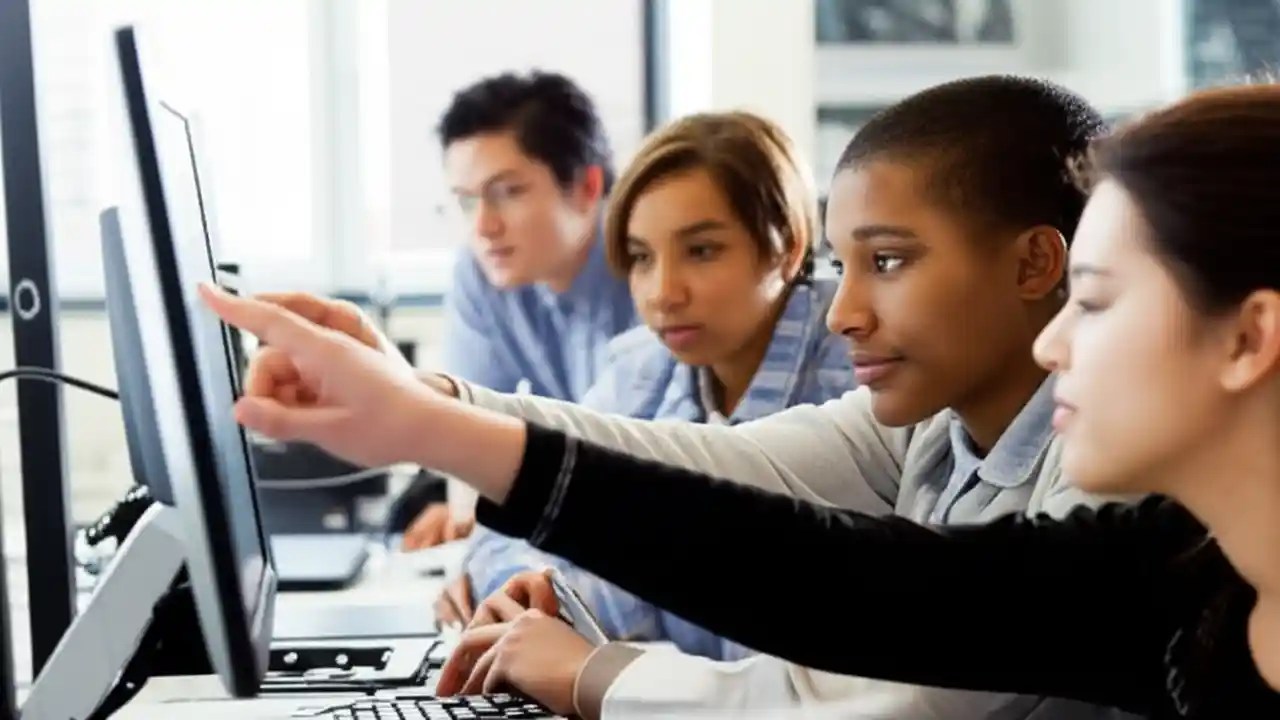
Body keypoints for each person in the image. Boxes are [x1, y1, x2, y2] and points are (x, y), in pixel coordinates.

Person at [200, 81, 1280, 719]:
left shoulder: (1133, 547)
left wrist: (594, 675)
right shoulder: (1152, 563)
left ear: (1248, 336)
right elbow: (772, 527)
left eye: (1094, 302)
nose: (845, 312)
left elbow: (872, 660)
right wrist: (428, 404)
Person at [456, 111, 854, 655]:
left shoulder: (859, 368)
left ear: (786, 245)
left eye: (702, 250)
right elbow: (502, 532)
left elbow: (763, 625)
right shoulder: (644, 367)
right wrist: (529, 590)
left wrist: (585, 600)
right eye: (642, 258)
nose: (663, 293)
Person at [402, 70, 638, 550]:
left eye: (507, 192)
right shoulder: (481, 272)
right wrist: (468, 524)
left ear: (587, 187)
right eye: (465, 202)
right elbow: (464, 425)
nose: (483, 227)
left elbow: (642, 471)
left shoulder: (650, 262)